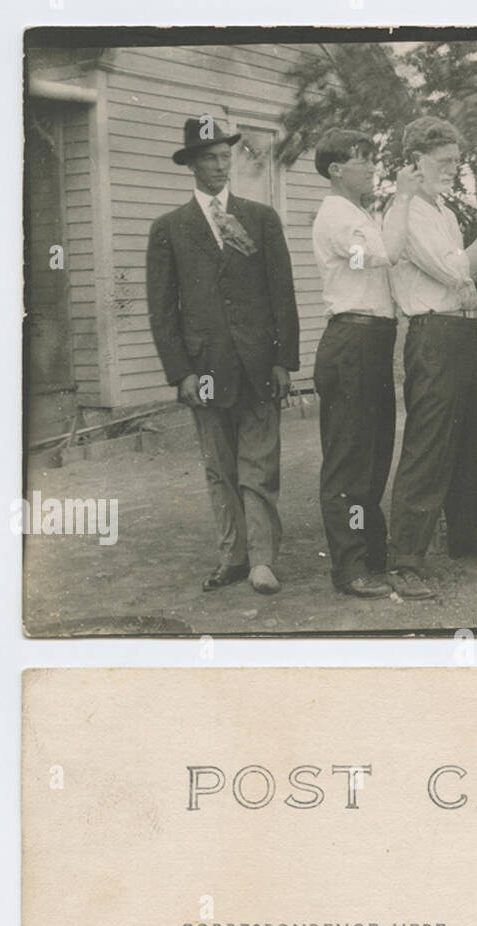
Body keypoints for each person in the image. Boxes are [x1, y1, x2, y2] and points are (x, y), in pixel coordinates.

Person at [146, 117, 299, 595]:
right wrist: (181, 372)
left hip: (257, 365)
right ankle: (232, 557)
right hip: (205, 369)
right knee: (219, 465)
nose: (219, 165)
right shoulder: (169, 229)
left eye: (224, 156)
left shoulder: (260, 219)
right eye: (209, 157)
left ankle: (262, 562)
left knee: (259, 465)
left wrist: (283, 360)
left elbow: (282, 294)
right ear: (191, 164)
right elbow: (162, 308)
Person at [383, 117, 477, 600]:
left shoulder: (440, 210)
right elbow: (456, 269)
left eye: (455, 162)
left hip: (459, 333)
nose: (451, 169)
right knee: (429, 443)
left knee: (470, 434)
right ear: (415, 164)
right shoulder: (405, 215)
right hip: (432, 338)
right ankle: (404, 558)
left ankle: (465, 535)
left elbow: (464, 285)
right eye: (442, 162)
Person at [311, 129, 422, 598]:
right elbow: (383, 255)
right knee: (349, 460)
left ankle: (371, 556)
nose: (372, 168)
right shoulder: (336, 214)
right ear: (336, 169)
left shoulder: (358, 213)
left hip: (373, 338)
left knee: (373, 457)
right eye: (362, 160)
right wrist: (404, 198)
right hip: (352, 339)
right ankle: (350, 568)